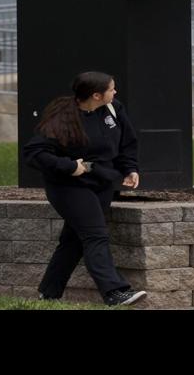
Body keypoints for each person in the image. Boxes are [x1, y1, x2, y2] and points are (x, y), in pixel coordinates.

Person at [21, 71, 146, 306]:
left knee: (74, 241)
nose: (115, 92)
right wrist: (69, 167)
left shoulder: (113, 109)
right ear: (96, 95)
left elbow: (127, 142)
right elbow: (34, 152)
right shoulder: (63, 118)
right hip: (69, 187)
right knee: (95, 235)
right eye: (111, 89)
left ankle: (48, 293)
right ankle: (115, 292)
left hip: (101, 183)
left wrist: (130, 168)